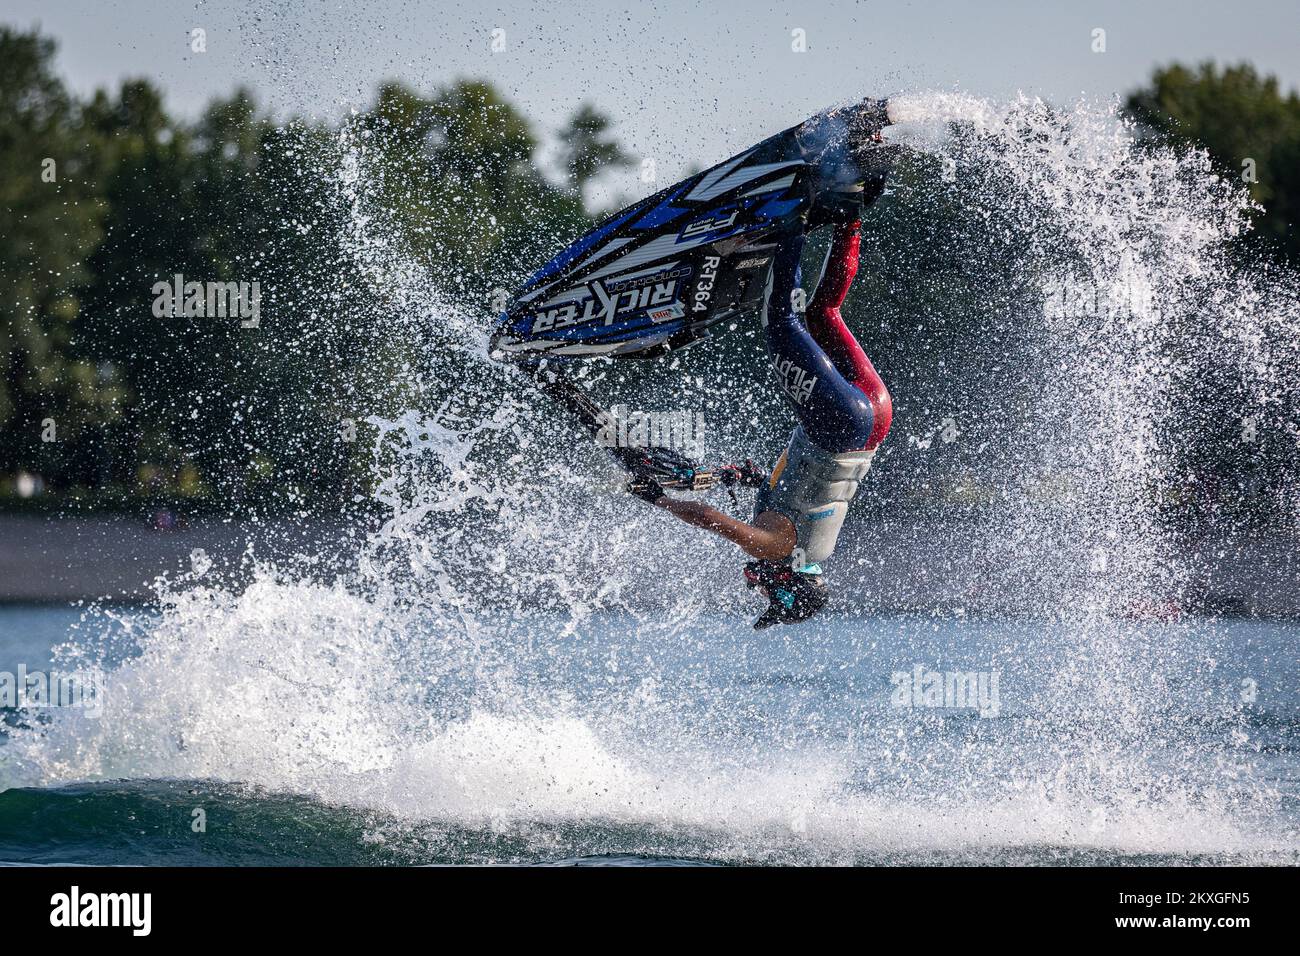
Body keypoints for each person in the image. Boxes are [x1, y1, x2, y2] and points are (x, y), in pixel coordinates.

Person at [632, 214, 892, 629]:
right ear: (786, 583)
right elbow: (708, 518)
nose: (757, 588)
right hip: (836, 423)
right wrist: (656, 501)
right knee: (781, 321)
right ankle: (792, 217)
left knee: (823, 311)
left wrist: (751, 480)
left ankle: (850, 209)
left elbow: (802, 492)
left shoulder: (814, 550)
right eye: (768, 594)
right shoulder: (777, 550)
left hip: (874, 423)